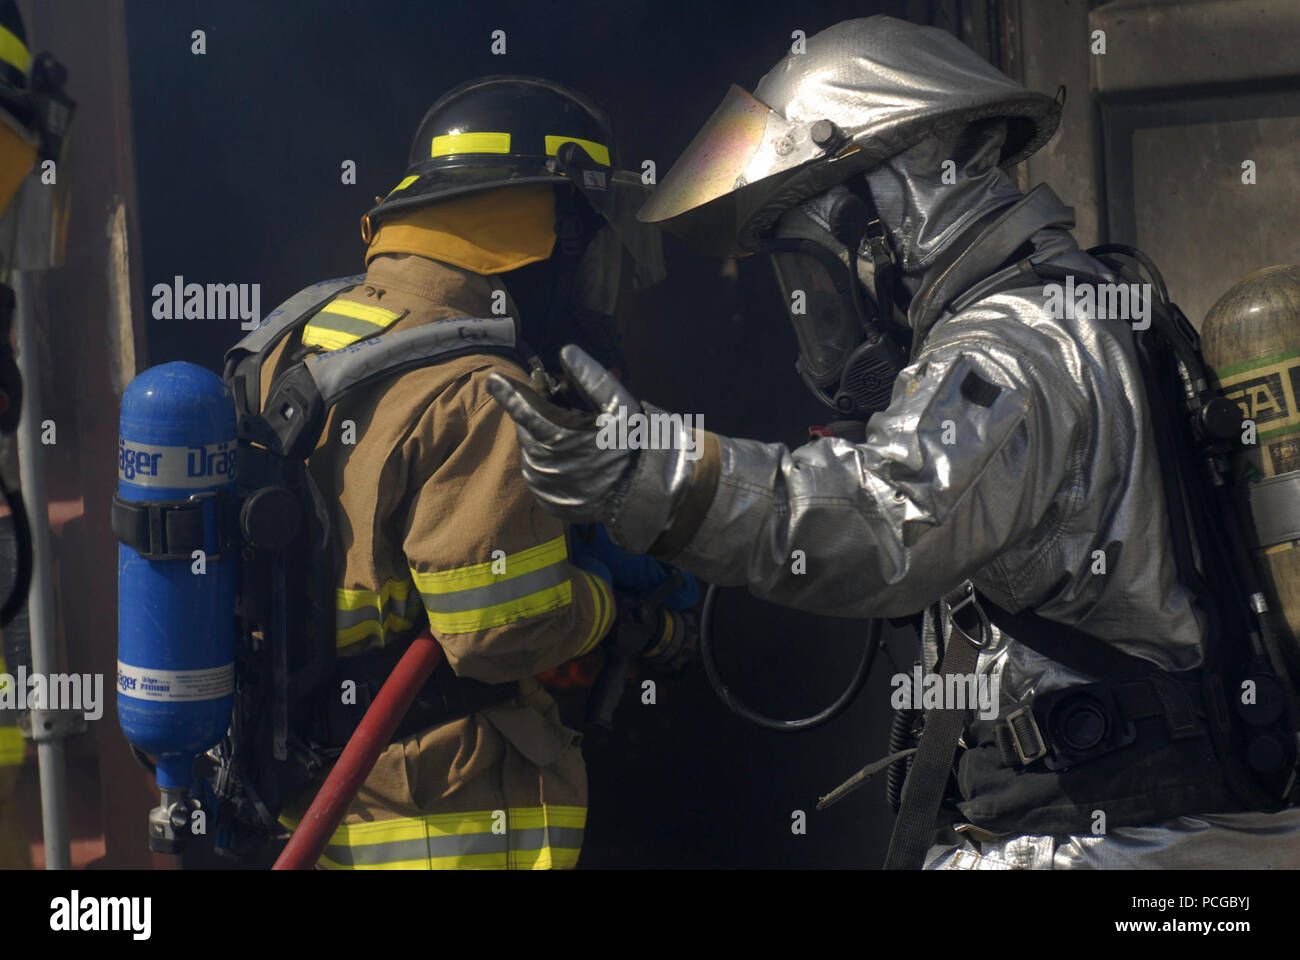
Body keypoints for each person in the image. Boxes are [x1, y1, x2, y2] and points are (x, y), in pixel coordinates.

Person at [486, 17, 1300, 869]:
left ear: (884, 213)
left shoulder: (1008, 344)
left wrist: (654, 478)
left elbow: (889, 519)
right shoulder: (1083, 301)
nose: (812, 306)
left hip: (1105, 841)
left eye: (805, 260)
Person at [263, 75, 690, 869]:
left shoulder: (312, 332)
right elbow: (503, 629)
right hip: (446, 820)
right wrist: (610, 597)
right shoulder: (481, 390)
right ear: (547, 230)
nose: (597, 274)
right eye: (590, 237)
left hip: (334, 798)